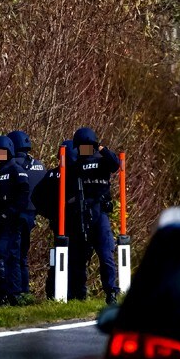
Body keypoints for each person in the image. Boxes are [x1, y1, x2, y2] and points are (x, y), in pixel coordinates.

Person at [67, 126, 121, 304]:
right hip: (83, 214)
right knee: (80, 258)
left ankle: (111, 291)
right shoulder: (75, 166)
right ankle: (80, 295)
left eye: (87, 146)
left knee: (106, 255)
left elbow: (115, 164)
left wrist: (101, 148)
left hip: (100, 214)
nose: (84, 150)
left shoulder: (103, 160)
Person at [0, 135, 29, 307]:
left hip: (11, 222)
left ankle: (13, 294)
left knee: (9, 257)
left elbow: (22, 197)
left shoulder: (17, 170)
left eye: (2, 152)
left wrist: (8, 214)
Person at [31, 139, 75, 298]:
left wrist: (51, 213)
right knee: (74, 260)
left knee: (58, 259)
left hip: (58, 224)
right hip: (74, 225)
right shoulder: (77, 174)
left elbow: (36, 198)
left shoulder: (50, 174)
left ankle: (53, 292)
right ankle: (71, 293)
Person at [6, 130, 46, 304]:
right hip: (31, 215)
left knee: (12, 254)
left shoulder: (11, 165)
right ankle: (25, 291)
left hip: (14, 215)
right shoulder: (39, 166)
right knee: (23, 256)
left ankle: (15, 293)